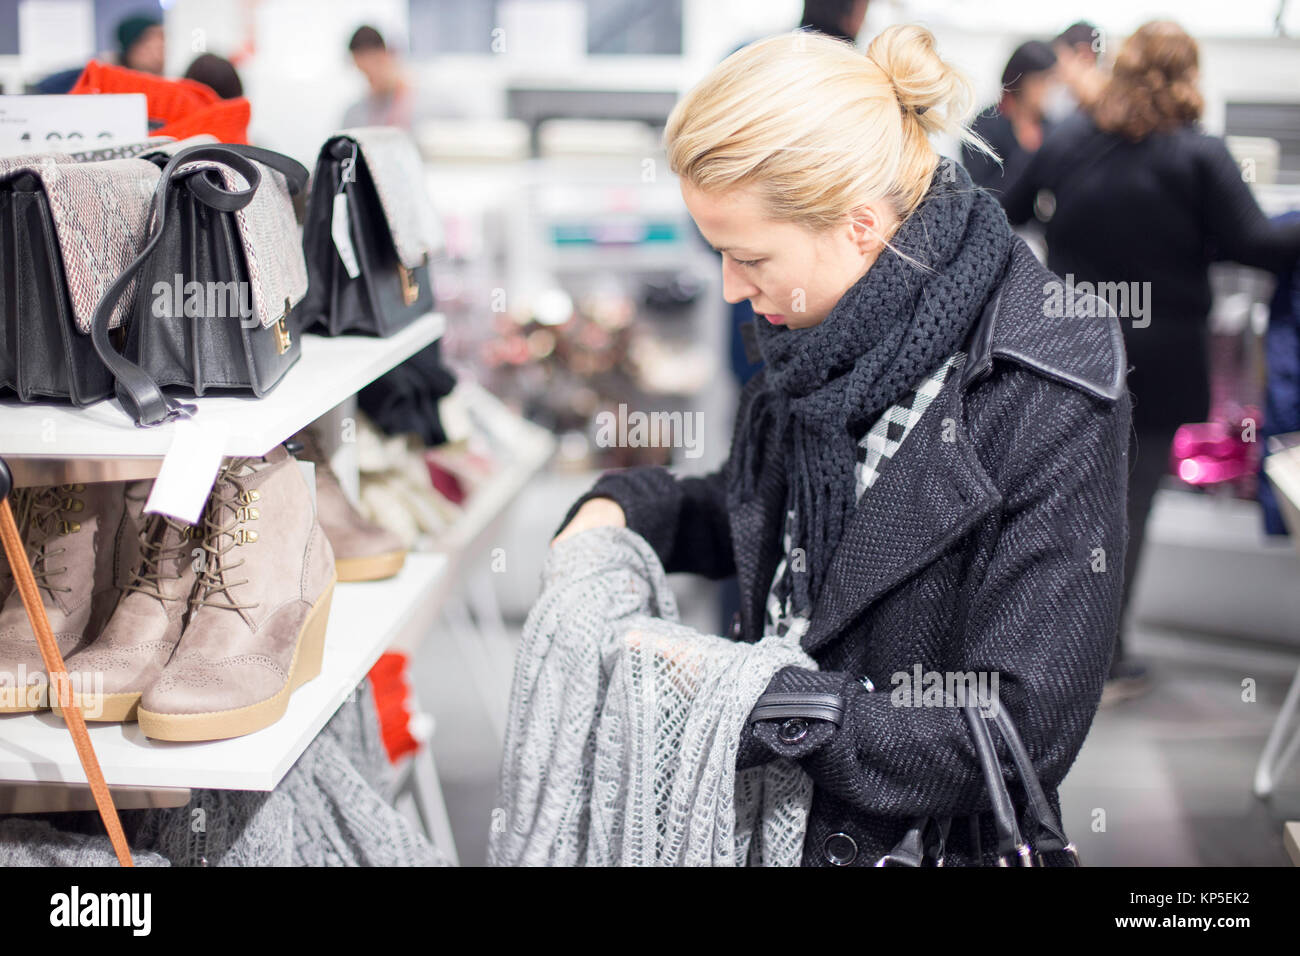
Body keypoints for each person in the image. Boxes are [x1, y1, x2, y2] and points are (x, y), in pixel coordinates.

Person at [554, 25, 1131, 866]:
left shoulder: (1045, 378)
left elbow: (1016, 727)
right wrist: (628, 508)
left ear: (860, 226)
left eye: (748, 256)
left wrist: (763, 707)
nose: (729, 286)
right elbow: (773, 519)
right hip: (771, 822)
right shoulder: (822, 337)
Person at [999, 20, 1300, 704]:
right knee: (1126, 514)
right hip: (1160, 365)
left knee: (1060, 508)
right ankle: (1100, 661)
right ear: (1190, 75)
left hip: (1068, 352)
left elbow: (1008, 209)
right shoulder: (1198, 155)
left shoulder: (1071, 139)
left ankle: (1038, 651)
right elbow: (1253, 241)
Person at [962, 40, 1058, 194]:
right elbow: (980, 192)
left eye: (1051, 82)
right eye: (1041, 81)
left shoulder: (1050, 126)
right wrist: (1026, 155)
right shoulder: (984, 126)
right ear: (1020, 80)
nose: (1047, 90)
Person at [341, 24, 465, 129]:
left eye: (371, 71)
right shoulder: (355, 115)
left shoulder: (434, 105)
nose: (370, 81)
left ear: (388, 56)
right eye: (364, 74)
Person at [1052, 20, 1107, 111]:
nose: (1056, 65)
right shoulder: (1058, 99)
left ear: (1085, 56)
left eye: (1060, 56)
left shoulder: (1104, 113)